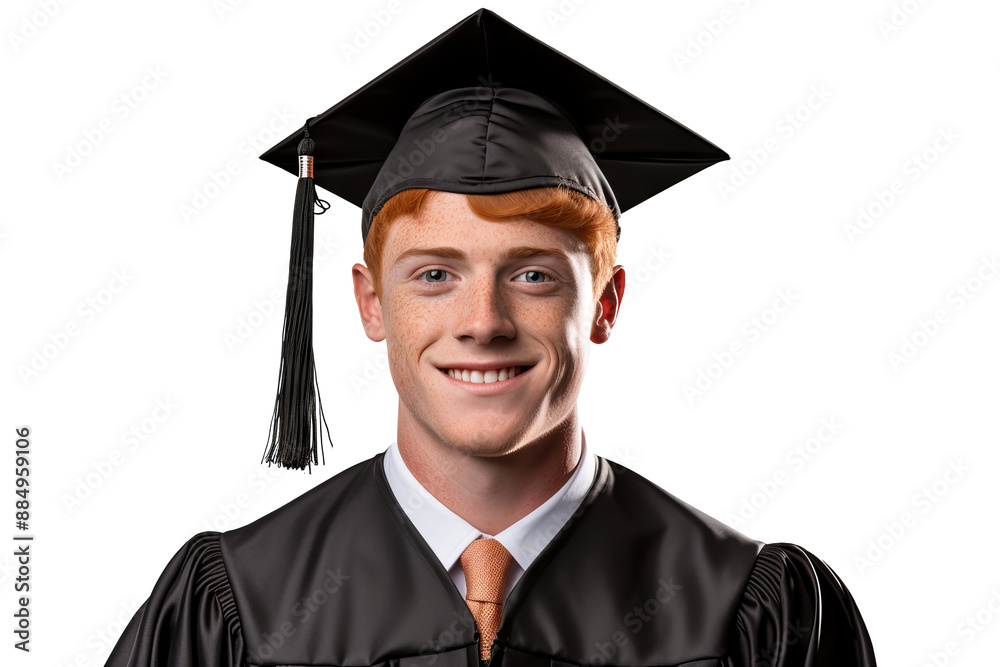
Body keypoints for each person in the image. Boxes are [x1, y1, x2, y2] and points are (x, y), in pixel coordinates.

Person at [105, 8, 876, 667]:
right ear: (371, 304)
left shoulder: (748, 617)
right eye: (435, 275)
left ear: (604, 304)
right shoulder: (236, 608)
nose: (483, 321)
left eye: (534, 275)